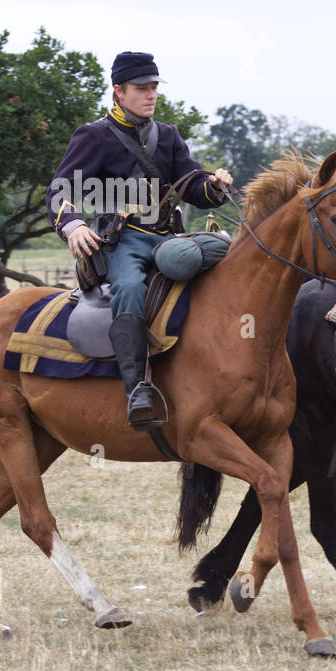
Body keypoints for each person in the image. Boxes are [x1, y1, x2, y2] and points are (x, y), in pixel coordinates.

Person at [47, 51, 233, 428]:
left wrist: (214, 185)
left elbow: (192, 184)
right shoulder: (94, 135)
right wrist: (74, 225)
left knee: (227, 258)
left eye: (154, 88)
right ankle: (137, 390)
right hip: (123, 240)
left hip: (168, 236)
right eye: (142, 89)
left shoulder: (167, 135)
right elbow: (60, 189)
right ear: (119, 91)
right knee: (130, 287)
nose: (151, 95)